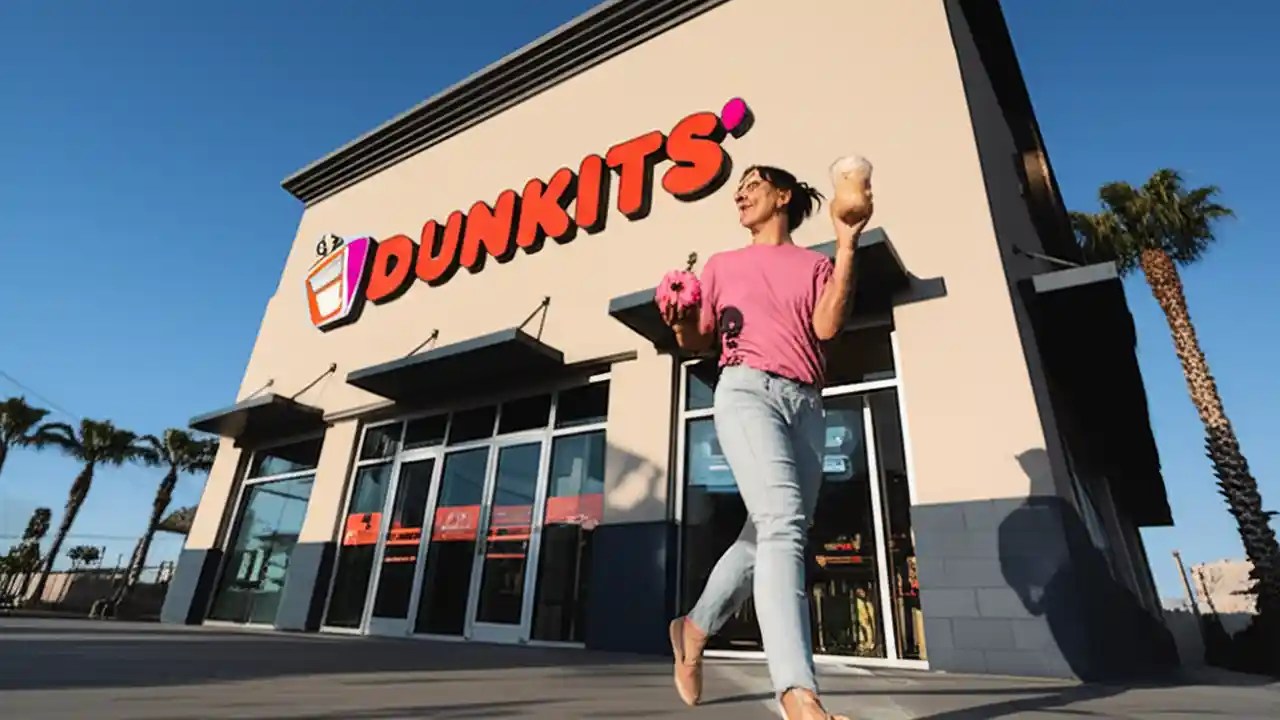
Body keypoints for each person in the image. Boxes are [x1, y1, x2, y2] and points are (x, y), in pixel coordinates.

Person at [661, 163, 872, 720]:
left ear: (782, 196)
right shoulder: (722, 266)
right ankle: (798, 695)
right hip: (746, 388)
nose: (741, 193)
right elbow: (695, 340)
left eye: (753, 184)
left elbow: (827, 327)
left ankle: (694, 627)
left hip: (805, 402)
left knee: (767, 533)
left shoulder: (816, 263)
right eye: (739, 188)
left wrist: (849, 240)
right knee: (783, 526)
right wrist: (679, 317)